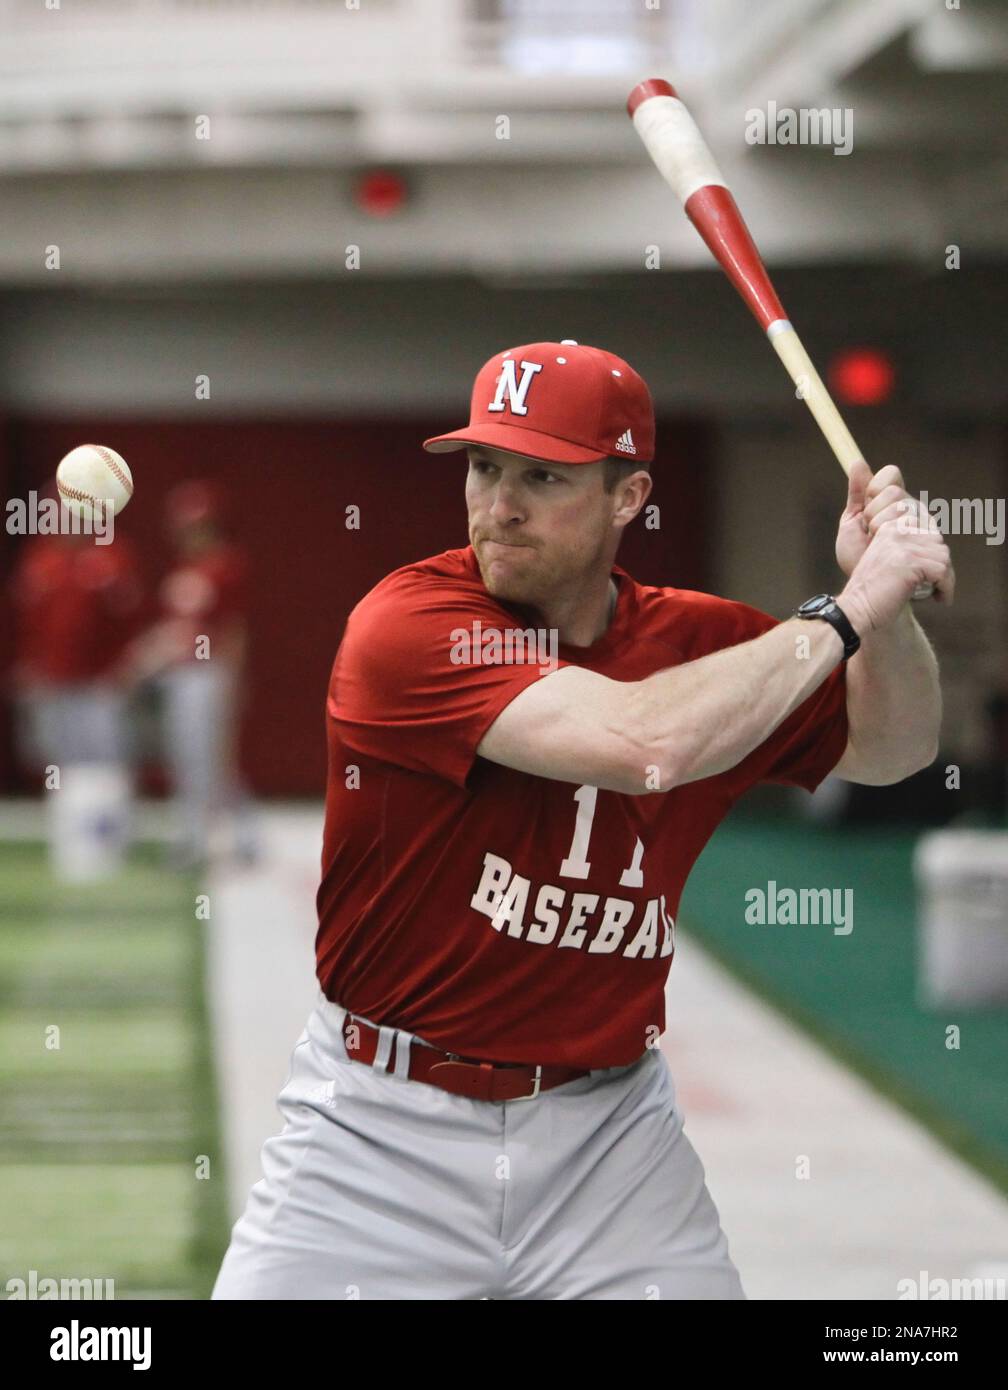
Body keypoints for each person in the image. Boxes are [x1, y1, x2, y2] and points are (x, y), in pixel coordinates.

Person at [212, 340, 952, 1300]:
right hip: (378, 1131)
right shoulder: (409, 626)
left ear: (628, 497)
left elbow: (894, 749)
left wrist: (888, 612)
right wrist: (848, 606)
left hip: (611, 1140)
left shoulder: (705, 641)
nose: (498, 505)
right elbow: (644, 742)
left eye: (542, 477)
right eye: (483, 468)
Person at [122, 479, 254, 868]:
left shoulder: (226, 565)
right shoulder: (185, 568)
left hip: (208, 673)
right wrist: (144, 658)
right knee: (191, 758)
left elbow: (234, 628)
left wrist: (233, 678)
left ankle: (206, 838)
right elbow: (176, 629)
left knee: (206, 759)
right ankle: (233, 835)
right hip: (179, 674)